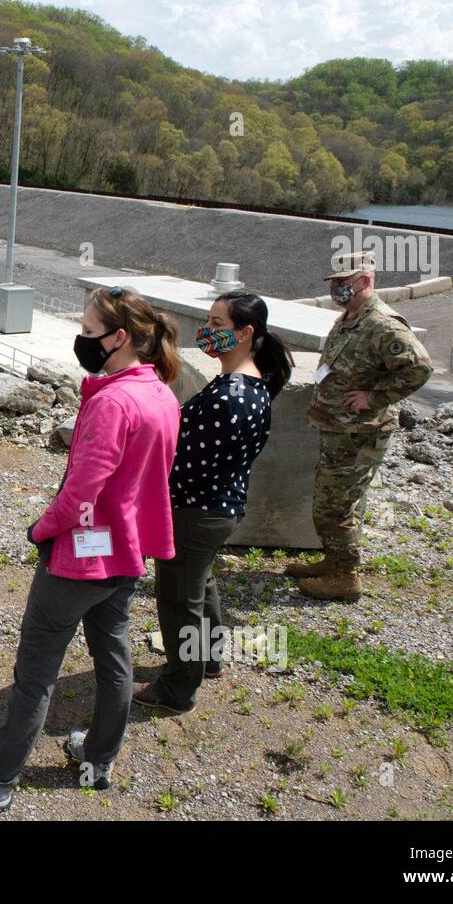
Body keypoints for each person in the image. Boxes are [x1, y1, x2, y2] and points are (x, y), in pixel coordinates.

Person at [0, 285, 182, 811]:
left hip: (80, 561)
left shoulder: (113, 400)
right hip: (125, 554)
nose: (82, 340)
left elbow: (82, 489)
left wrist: (41, 529)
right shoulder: (160, 392)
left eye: (89, 333)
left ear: (117, 338)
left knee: (35, 675)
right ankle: (98, 758)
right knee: (114, 658)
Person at [133, 291, 293, 715]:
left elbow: (188, 464)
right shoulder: (246, 385)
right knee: (200, 586)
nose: (208, 331)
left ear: (245, 333)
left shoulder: (231, 397)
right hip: (217, 508)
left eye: (218, 324)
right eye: (208, 321)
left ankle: (177, 689)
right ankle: (210, 658)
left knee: (177, 600)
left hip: (195, 510)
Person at [286, 250, 432, 602]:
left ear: (366, 280)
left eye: (344, 283)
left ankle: (344, 576)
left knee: (334, 504)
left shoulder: (382, 323)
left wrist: (374, 396)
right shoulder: (351, 317)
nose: (337, 289)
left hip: (360, 430)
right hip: (340, 426)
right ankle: (334, 561)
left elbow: (419, 367)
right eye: (334, 283)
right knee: (336, 499)